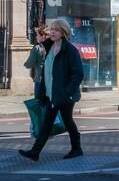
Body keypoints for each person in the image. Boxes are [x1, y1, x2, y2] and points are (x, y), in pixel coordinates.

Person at [19, 18, 84, 161]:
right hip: (51, 93)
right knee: (50, 123)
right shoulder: (47, 47)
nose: (52, 32)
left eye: (56, 29)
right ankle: (36, 152)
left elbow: (78, 73)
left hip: (65, 95)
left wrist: (67, 91)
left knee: (63, 121)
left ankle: (75, 148)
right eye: (52, 29)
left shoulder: (70, 51)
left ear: (63, 32)